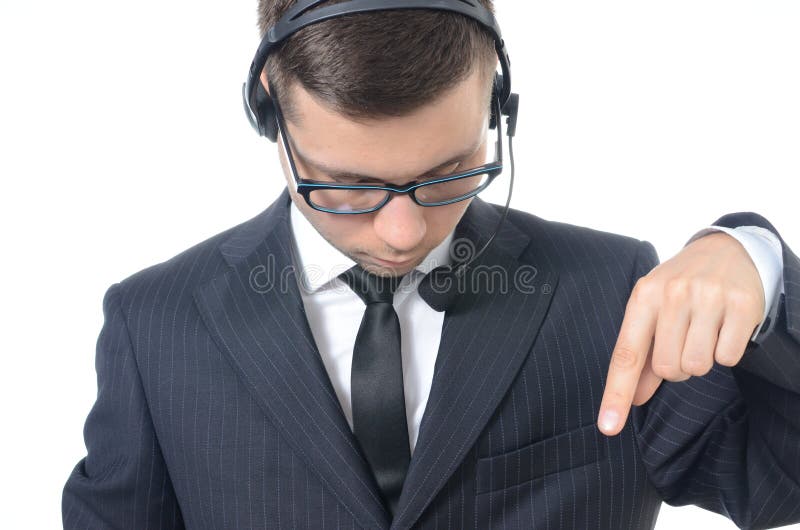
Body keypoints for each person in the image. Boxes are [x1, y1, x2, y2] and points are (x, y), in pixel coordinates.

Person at [62, 1, 800, 528]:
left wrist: (761, 269)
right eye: (348, 186)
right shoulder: (153, 325)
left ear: (498, 105)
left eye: (450, 171)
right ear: (269, 115)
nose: (402, 231)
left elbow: (780, 485)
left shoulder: (611, 293)